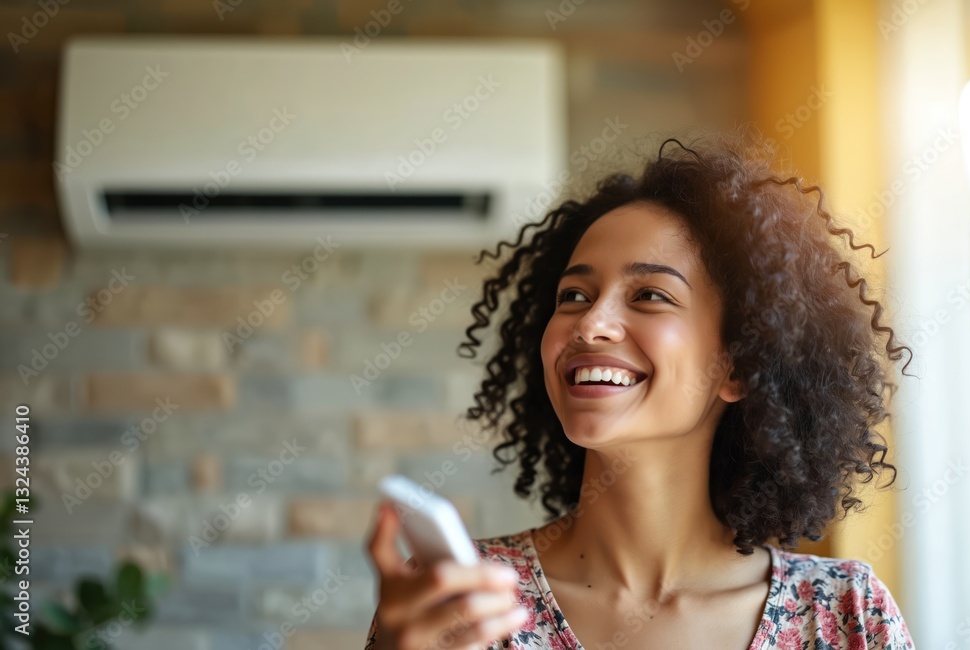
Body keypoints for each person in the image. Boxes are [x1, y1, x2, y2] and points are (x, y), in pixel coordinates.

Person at [363, 133, 915, 649]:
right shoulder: (461, 607)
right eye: (574, 295)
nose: (590, 323)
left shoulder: (845, 615)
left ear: (740, 365)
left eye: (650, 294)